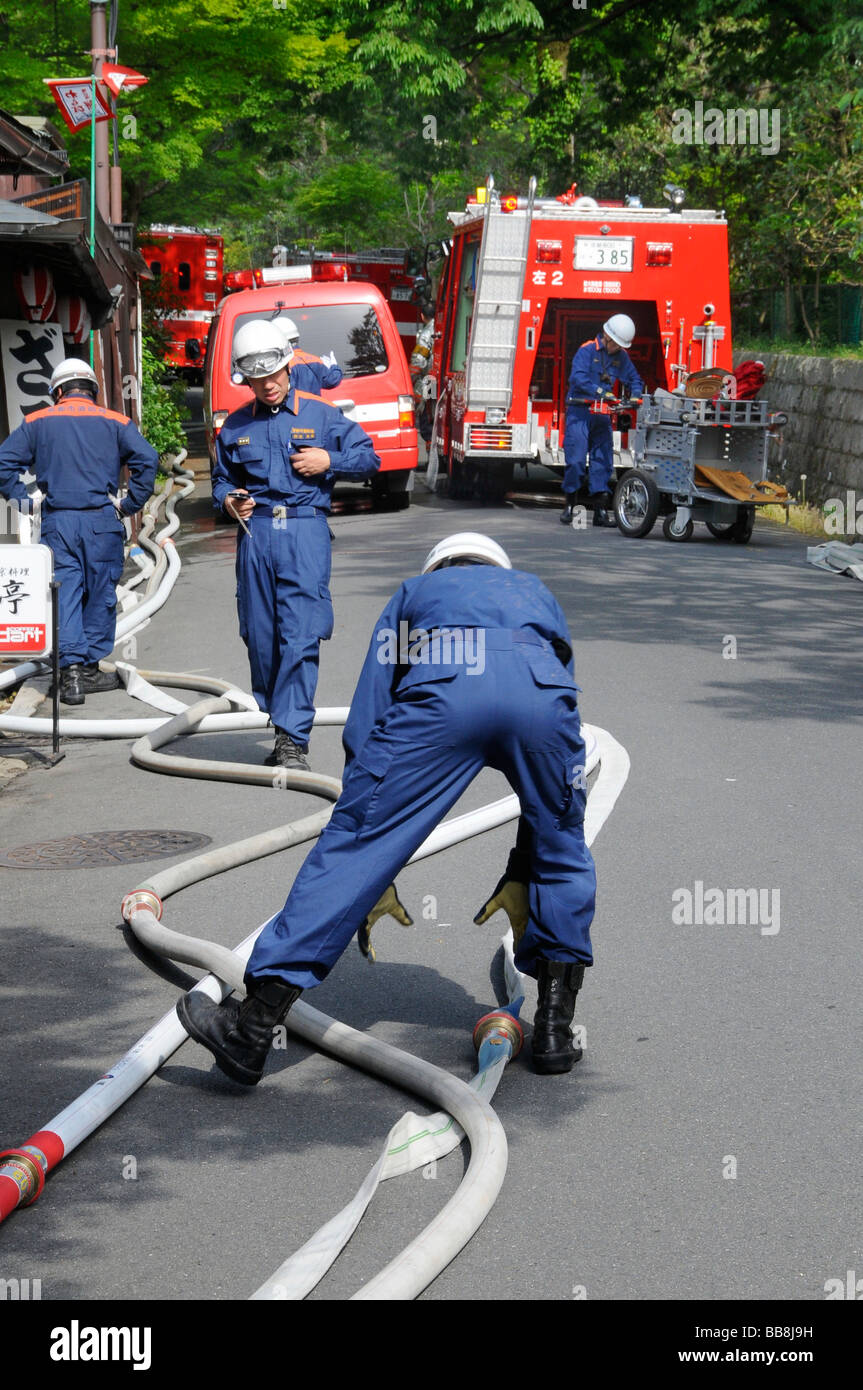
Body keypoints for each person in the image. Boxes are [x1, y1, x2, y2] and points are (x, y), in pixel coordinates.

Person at [177, 531, 597, 1084]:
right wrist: (529, 858)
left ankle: (251, 1030)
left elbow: (373, 706)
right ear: (498, 567)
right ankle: (553, 1031)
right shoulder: (534, 591)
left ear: (440, 564)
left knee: (355, 845)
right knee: (563, 847)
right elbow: (561, 689)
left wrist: (371, 844)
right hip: (541, 701)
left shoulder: (416, 592)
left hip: (447, 695)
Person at [213, 319, 380, 770]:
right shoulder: (234, 427)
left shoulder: (321, 415)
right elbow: (221, 479)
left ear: (288, 368)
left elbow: (370, 456)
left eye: (274, 376)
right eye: (257, 379)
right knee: (259, 636)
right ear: (246, 380)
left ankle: (292, 738)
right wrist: (228, 500)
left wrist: (331, 459)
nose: (268, 386)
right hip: (255, 534)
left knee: (301, 635)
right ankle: (279, 716)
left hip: (304, 531)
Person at [0, 358, 157, 705]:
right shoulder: (115, 421)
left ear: (57, 391)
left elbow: (3, 461)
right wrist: (131, 504)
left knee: (65, 591)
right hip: (101, 520)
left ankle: (70, 674)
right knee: (101, 592)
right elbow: (147, 458)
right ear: (92, 390)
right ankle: (87, 669)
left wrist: (23, 501)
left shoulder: (37, 421)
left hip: (57, 521)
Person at [561, 314, 643, 528]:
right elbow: (577, 378)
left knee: (602, 463)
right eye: (616, 343)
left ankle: (600, 511)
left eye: (621, 345)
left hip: (602, 416)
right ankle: (570, 505)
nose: (618, 348)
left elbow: (634, 378)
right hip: (580, 411)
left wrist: (635, 395)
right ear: (606, 336)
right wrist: (599, 392)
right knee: (577, 460)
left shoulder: (621, 356)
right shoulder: (586, 351)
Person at [270, 318, 343, 396]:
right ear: (297, 338)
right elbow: (332, 381)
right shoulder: (315, 361)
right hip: (314, 407)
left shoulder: (278, 367)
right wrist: (334, 367)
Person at [409, 300, 435, 445]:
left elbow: (418, 362)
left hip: (429, 382)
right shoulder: (441, 327)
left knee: (427, 417)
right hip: (438, 380)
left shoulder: (426, 334)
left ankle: (430, 455)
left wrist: (408, 380)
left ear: (422, 316)